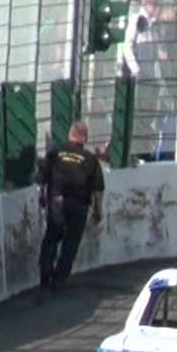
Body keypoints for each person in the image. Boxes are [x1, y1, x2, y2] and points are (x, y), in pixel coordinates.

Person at [38, 122, 105, 291]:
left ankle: (45, 271)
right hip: (79, 204)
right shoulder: (90, 159)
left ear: (70, 135)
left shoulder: (55, 153)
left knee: (52, 235)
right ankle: (60, 278)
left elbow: (42, 177)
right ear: (84, 138)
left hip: (57, 201)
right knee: (71, 243)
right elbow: (98, 190)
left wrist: (42, 196)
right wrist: (98, 211)